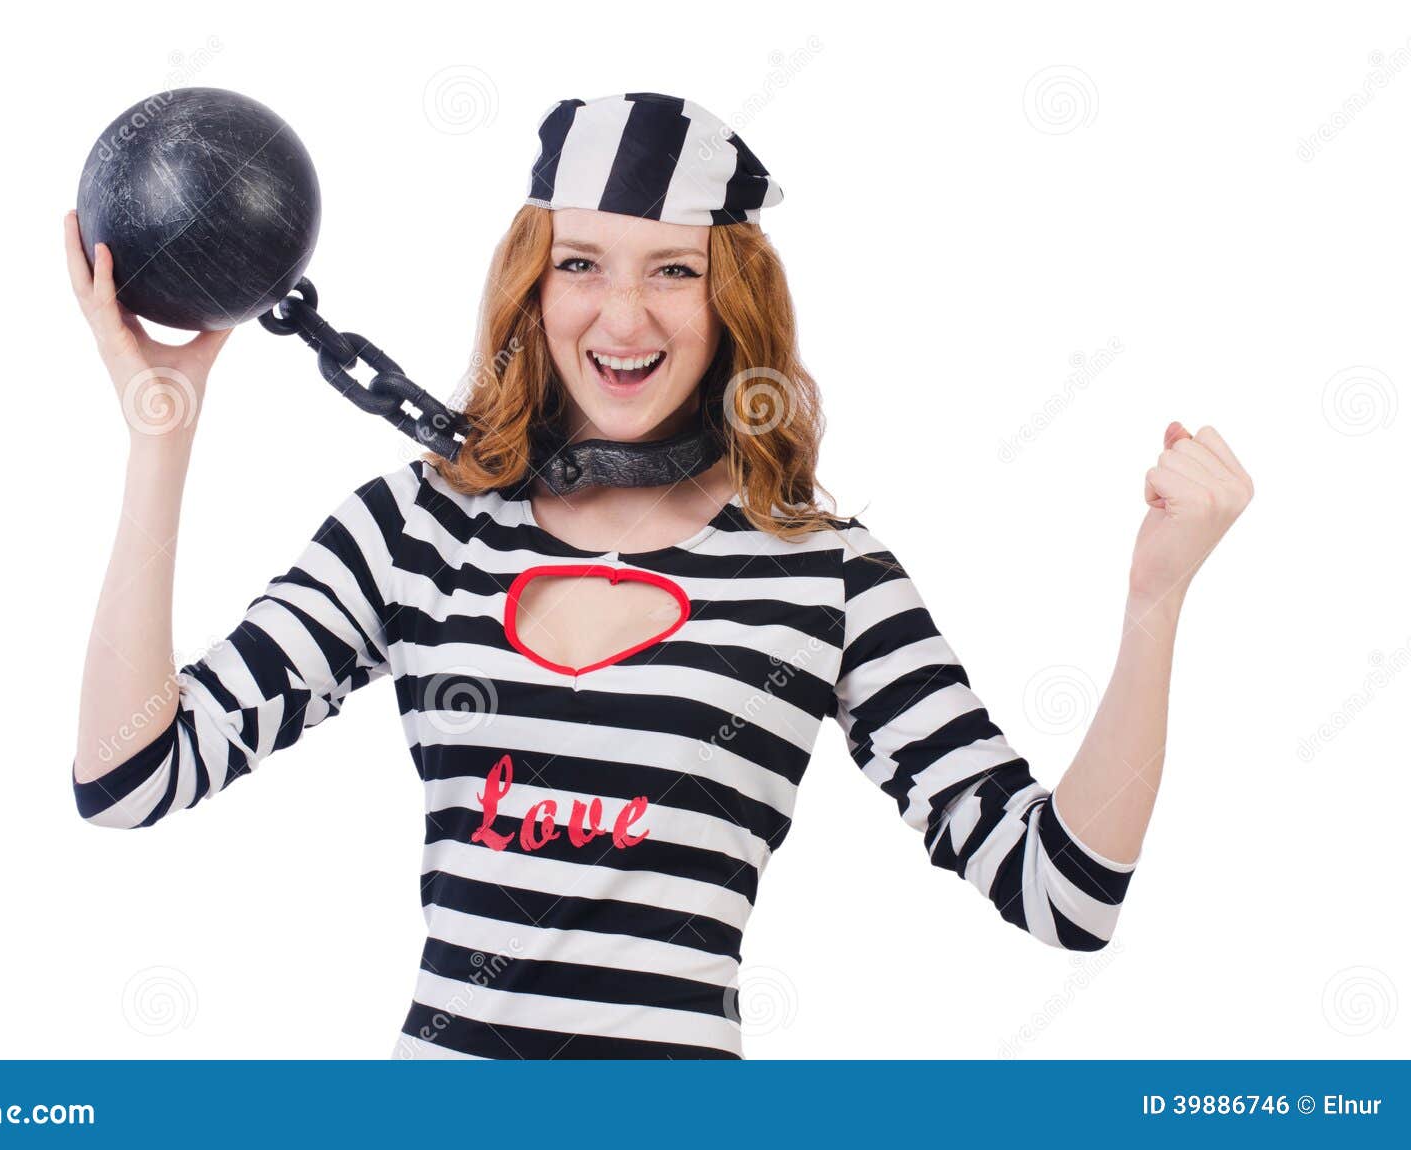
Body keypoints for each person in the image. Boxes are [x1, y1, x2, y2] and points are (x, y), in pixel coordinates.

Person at [63, 92, 1253, 1059]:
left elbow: (1061, 893)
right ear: (534, 286)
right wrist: (161, 436)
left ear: (731, 299)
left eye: (673, 271)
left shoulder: (825, 576)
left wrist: (1155, 603)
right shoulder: (419, 530)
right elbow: (129, 775)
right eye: (581, 263)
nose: (622, 314)